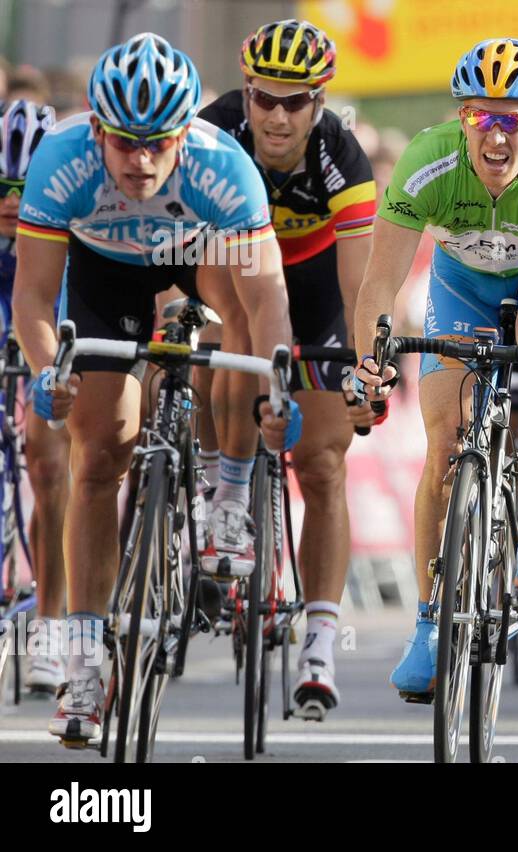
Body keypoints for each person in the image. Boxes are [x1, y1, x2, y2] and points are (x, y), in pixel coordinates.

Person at [14, 33, 298, 746]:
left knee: (234, 331)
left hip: (193, 256)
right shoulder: (60, 162)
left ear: (183, 136)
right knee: (101, 452)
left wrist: (277, 390)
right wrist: (50, 371)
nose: (141, 160)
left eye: (157, 143)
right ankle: (84, 668)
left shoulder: (222, 168)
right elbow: (33, 299)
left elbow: (267, 302)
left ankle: (226, 492)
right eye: (125, 144)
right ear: (98, 131)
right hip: (102, 270)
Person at [351, 37, 518, 702]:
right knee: (444, 445)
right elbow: (378, 286)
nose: (495, 136)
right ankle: (428, 624)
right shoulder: (425, 163)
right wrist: (369, 363)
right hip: (459, 287)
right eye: (480, 119)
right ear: (461, 120)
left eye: (512, 120)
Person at [197, 18, 376, 719]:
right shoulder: (215, 134)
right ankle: (225, 499)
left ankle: (322, 642)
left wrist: (365, 366)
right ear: (246, 93)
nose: (276, 114)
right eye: (263, 98)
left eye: (294, 101)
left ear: (319, 103)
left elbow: (362, 283)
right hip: (232, 267)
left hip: (318, 285)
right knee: (230, 337)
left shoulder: (342, 157)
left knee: (323, 464)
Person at [0, 97, 71, 695]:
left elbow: (56, 316)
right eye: (0, 185)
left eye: (24, 188)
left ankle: (50, 622)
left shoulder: (60, 232)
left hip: (49, 330)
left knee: (49, 469)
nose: (11, 203)